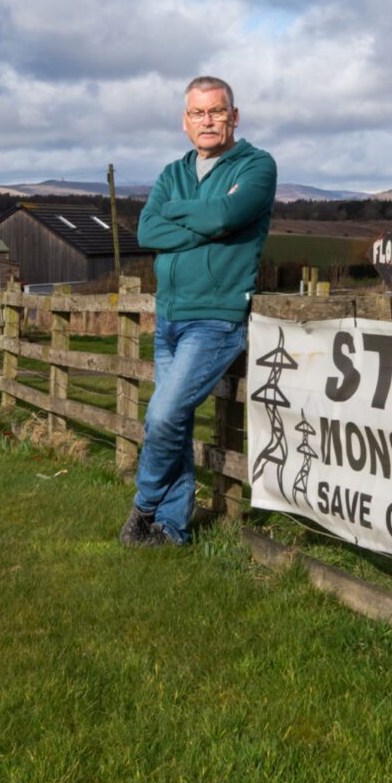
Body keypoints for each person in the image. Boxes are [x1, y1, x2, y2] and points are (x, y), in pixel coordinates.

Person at [119, 76, 277, 547]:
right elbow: (148, 230)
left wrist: (197, 217)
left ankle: (144, 507)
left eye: (216, 111)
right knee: (176, 421)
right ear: (184, 121)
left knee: (163, 416)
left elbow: (226, 219)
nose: (207, 120)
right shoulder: (173, 172)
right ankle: (171, 528)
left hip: (216, 317)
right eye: (197, 113)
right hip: (168, 316)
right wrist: (207, 220)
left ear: (234, 115)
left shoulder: (257, 166)